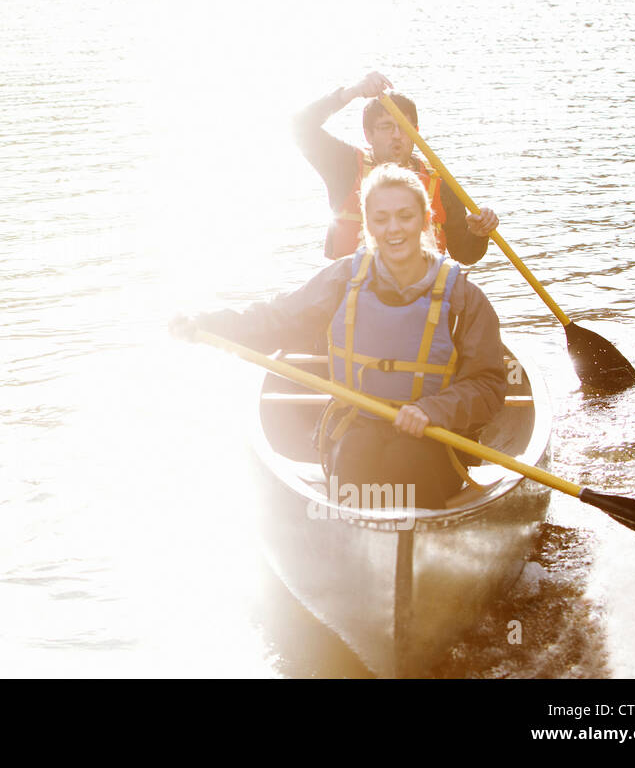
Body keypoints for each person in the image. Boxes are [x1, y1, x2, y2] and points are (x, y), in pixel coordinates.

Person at [172, 164, 507, 508]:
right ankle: (362, 536)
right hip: (358, 425)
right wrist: (207, 325)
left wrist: (433, 410)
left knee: (407, 459)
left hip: (435, 434)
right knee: (356, 455)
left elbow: (489, 385)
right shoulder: (343, 278)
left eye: (405, 216)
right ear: (368, 225)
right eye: (381, 219)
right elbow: (277, 319)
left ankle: (417, 539)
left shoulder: (464, 297)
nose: (393, 229)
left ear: (424, 220)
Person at [293, 71, 499, 264]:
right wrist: (353, 92)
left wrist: (478, 234)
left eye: (404, 127)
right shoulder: (345, 167)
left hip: (421, 296)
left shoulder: (440, 182)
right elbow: (299, 125)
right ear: (368, 134)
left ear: (416, 132)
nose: (397, 135)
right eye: (386, 127)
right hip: (356, 293)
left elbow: (466, 254)